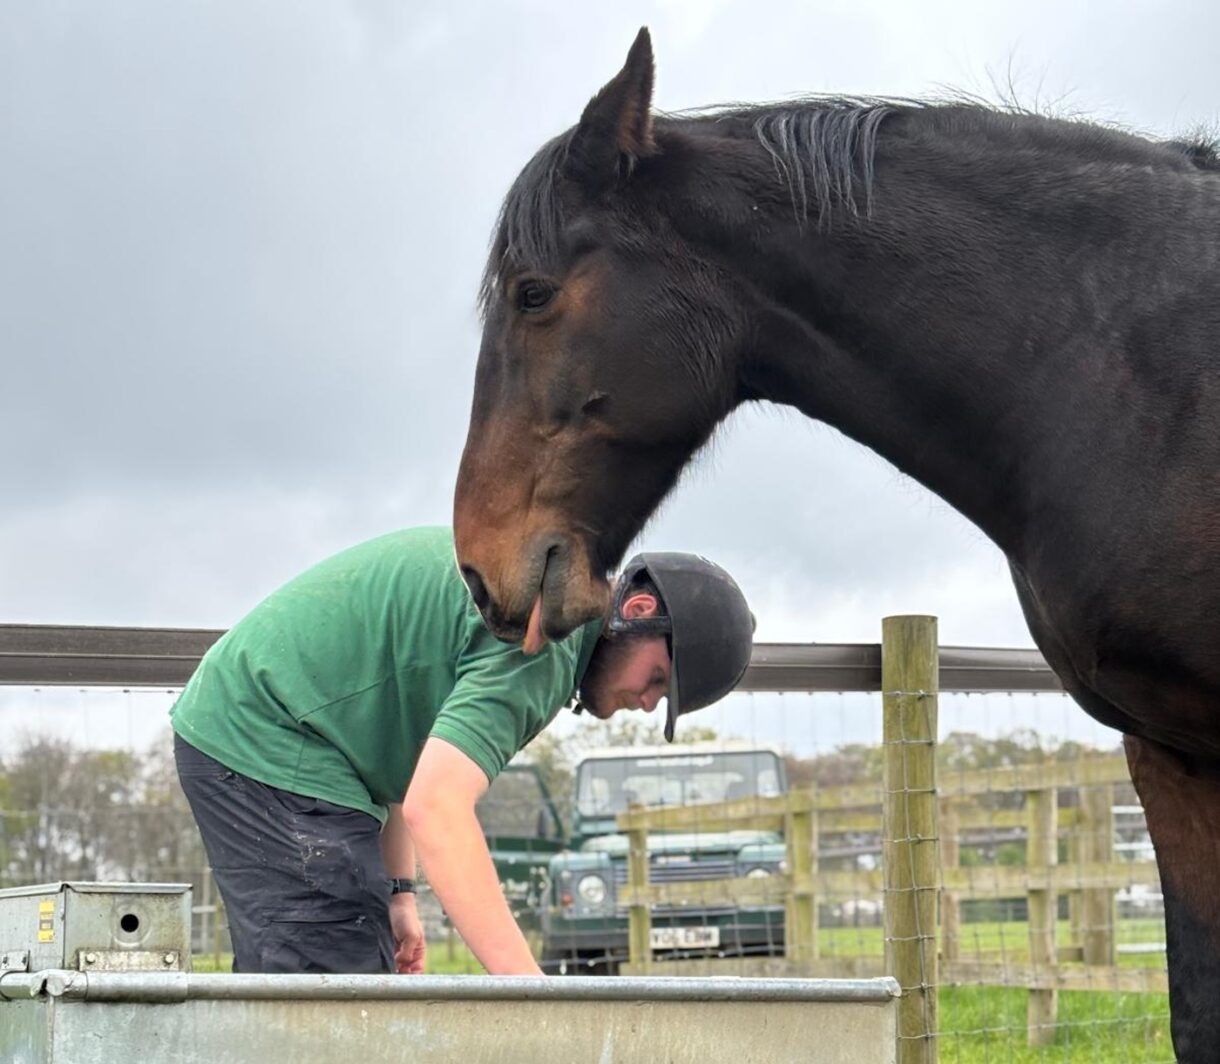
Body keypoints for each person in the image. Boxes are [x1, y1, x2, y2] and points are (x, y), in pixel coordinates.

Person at [170, 526, 753, 976]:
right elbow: (439, 807)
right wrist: (531, 992)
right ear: (640, 613)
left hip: (294, 734)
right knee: (323, 995)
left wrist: (400, 893)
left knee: (336, 983)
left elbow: (405, 759)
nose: (649, 704)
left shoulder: (553, 606)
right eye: (658, 679)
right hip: (264, 730)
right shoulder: (544, 639)